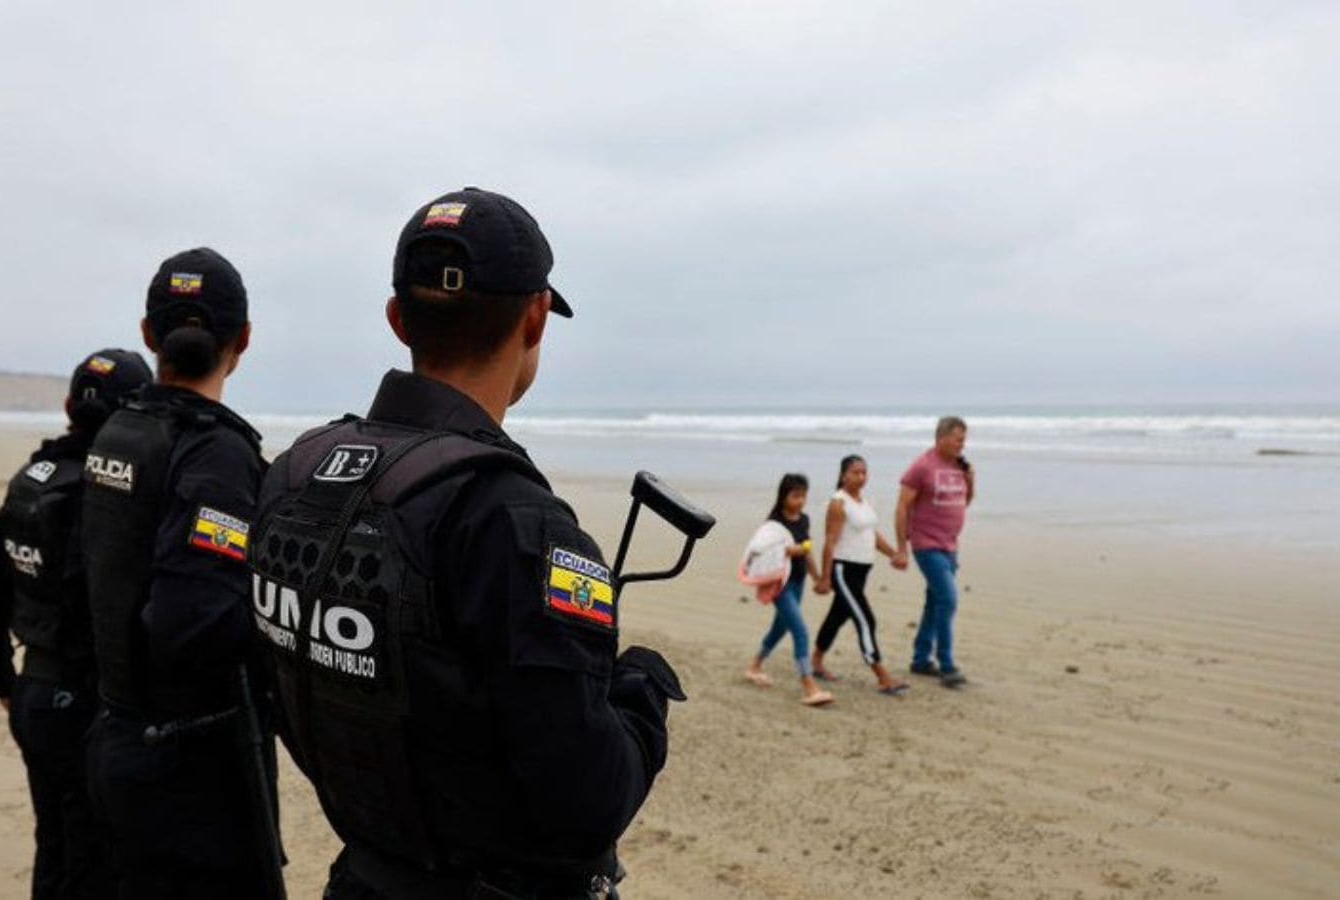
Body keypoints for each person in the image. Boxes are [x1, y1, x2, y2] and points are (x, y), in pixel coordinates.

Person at [249, 187, 685, 899]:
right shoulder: (508, 519)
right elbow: (589, 801)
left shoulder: (295, 476)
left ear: (398, 319)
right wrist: (642, 688)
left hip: (363, 875)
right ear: (537, 316)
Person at [80, 248, 272, 897]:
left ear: (147, 334)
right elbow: (197, 621)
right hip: (191, 764)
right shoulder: (215, 450)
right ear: (242, 339)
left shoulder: (116, 431)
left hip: (116, 733)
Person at [0, 347, 153, 899]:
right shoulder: (111, 494)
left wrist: (5, 682)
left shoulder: (33, 479)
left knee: (58, 850)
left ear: (69, 405)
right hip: (90, 706)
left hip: (37, 696)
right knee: (97, 862)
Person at [809, 455, 909, 695]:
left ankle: (815, 662)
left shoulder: (864, 502)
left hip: (862, 572)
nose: (861, 477)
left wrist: (893, 554)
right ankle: (882, 677)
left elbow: (872, 536)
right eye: (855, 472)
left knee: (837, 617)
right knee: (866, 620)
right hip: (843, 570)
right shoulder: (838, 503)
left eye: (864, 472)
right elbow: (830, 542)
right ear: (844, 475)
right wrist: (825, 577)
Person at [894, 416, 975, 688]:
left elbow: (963, 501)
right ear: (942, 438)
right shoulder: (922, 467)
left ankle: (920, 659)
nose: (962, 444)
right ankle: (947, 664)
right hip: (926, 544)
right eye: (958, 439)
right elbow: (903, 506)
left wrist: (970, 479)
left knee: (935, 601)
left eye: (964, 439)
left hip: (950, 544)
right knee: (948, 599)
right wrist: (901, 548)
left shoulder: (958, 466)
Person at [743, 473, 834, 707]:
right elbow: (760, 551)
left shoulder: (803, 520)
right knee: (800, 631)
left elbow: (807, 551)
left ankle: (754, 666)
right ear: (784, 496)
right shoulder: (773, 525)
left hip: (798, 581)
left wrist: (818, 578)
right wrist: (787, 550)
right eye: (795, 496)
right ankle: (808, 685)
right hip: (779, 583)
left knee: (779, 628)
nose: (800, 501)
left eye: (803, 496)